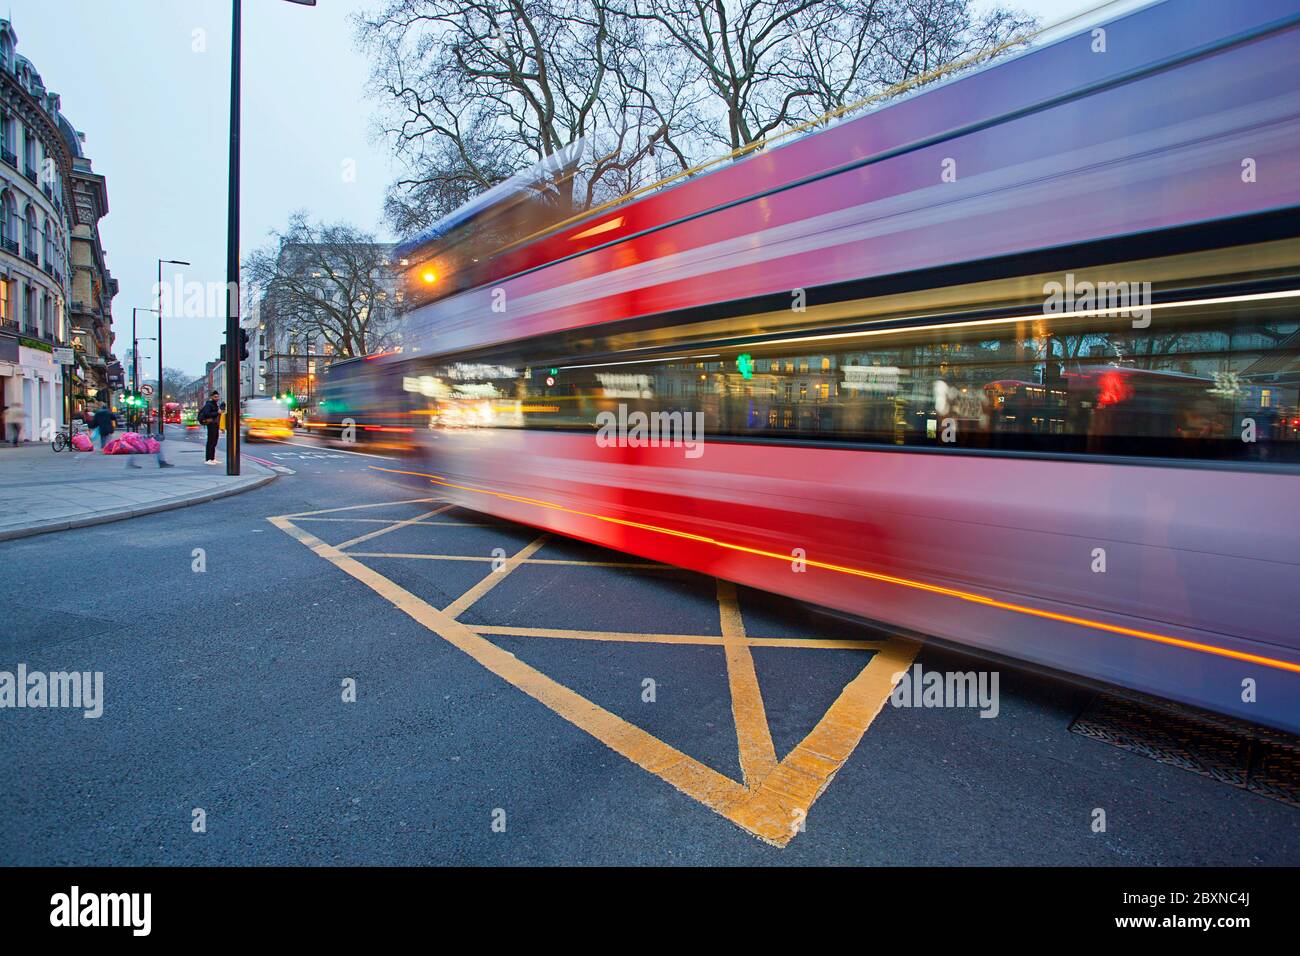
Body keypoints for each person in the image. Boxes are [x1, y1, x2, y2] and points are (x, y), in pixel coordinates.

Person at [199, 390, 222, 464]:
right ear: (212, 397)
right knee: (210, 442)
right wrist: (217, 413)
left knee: (214, 442)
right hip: (211, 424)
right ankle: (208, 459)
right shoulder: (209, 404)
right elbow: (207, 413)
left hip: (215, 424)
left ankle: (212, 458)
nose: (217, 398)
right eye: (215, 397)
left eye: (217, 397)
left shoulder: (215, 404)